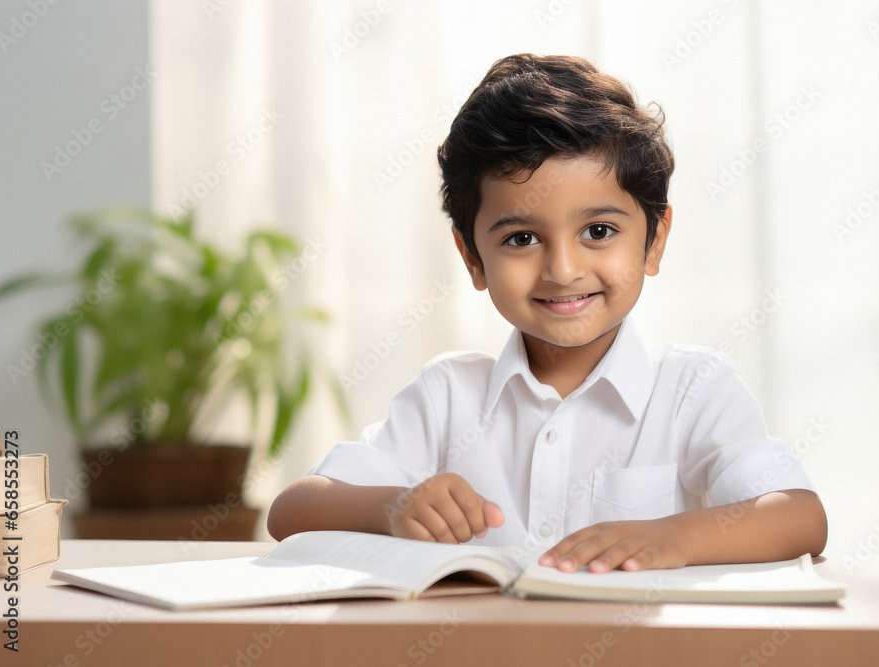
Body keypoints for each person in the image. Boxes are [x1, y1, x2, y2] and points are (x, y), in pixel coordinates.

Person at [268, 53, 827, 574]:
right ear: (473, 258)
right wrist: (391, 508)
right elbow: (290, 511)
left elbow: (800, 518)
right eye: (522, 238)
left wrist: (675, 538)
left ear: (654, 241)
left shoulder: (691, 388)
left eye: (599, 231)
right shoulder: (447, 396)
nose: (562, 268)